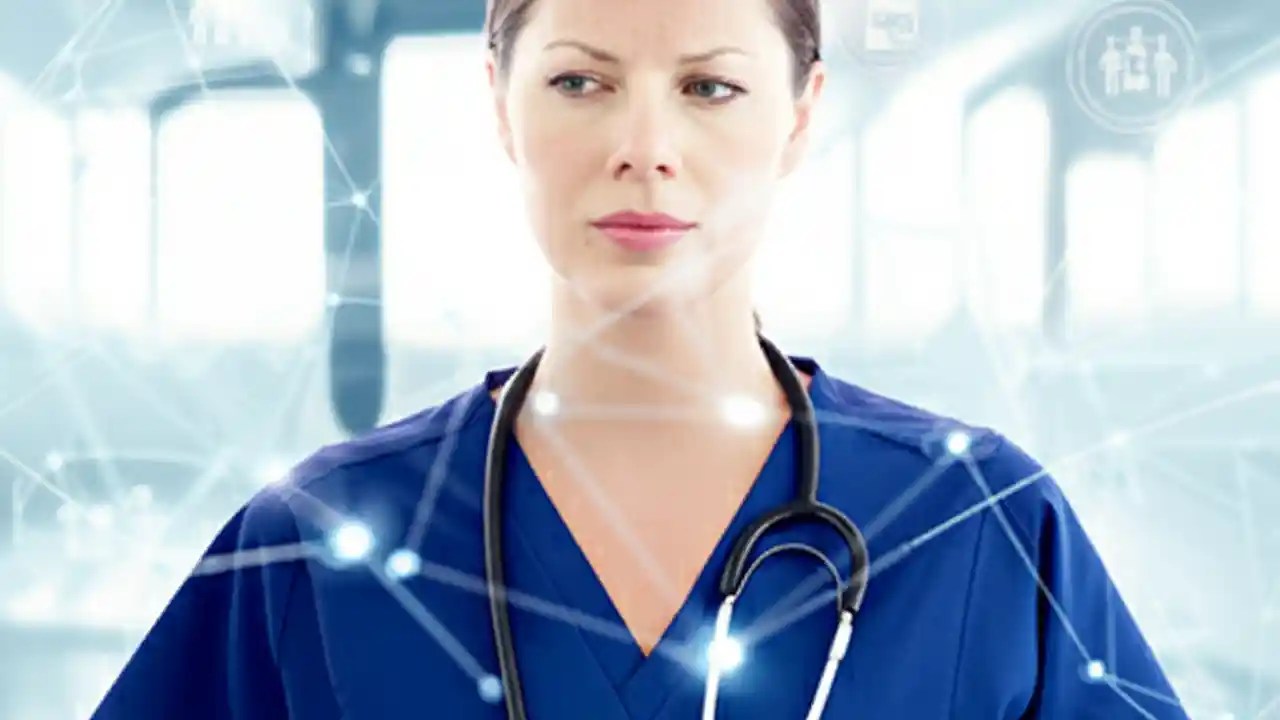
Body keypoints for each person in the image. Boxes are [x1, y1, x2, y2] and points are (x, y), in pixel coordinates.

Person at [91, 0, 1191, 717]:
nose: (643, 149)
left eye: (709, 88)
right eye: (580, 82)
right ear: (499, 106)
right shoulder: (316, 545)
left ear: (801, 116)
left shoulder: (974, 523)